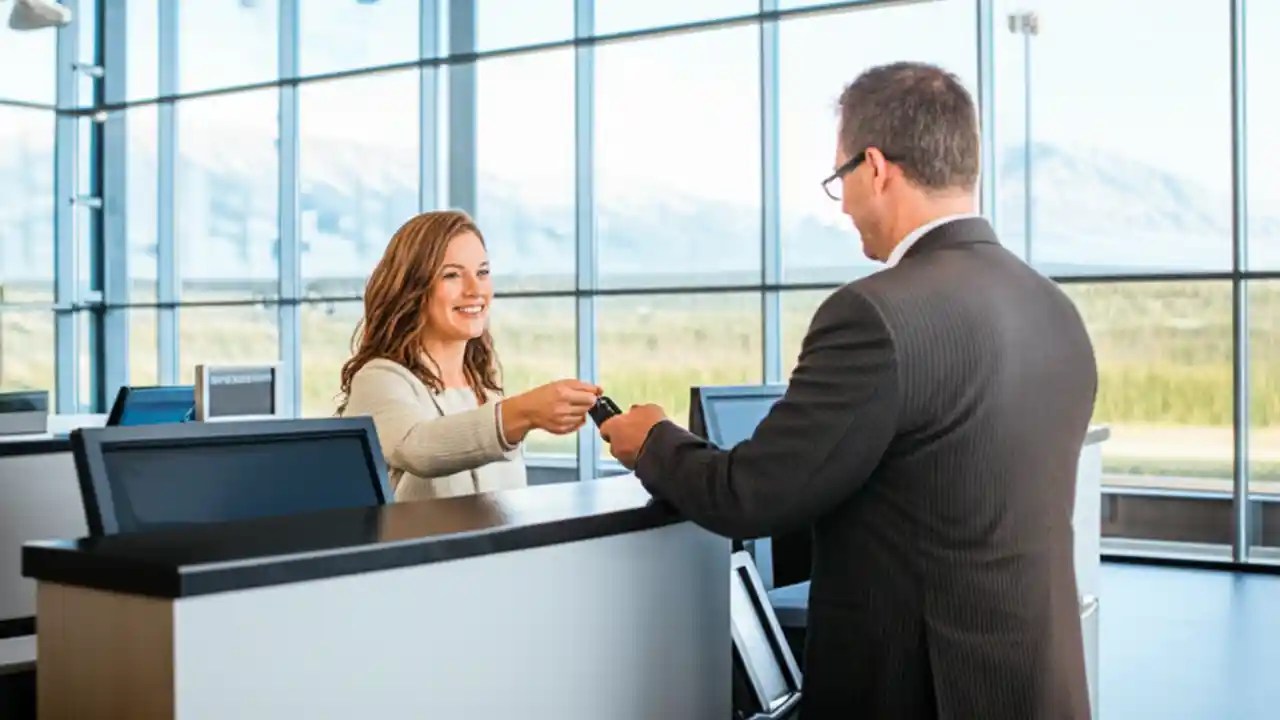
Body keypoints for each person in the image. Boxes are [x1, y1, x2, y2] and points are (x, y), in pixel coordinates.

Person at [600, 62, 1097, 719]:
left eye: (840, 180)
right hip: (1037, 688)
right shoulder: (1052, 308)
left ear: (876, 168)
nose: (846, 206)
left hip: (919, 693)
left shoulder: (874, 315)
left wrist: (652, 442)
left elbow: (752, 494)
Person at [339, 210, 600, 501]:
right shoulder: (380, 379)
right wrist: (523, 413)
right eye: (451, 275)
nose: (475, 290)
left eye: (483, 272)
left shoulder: (485, 392)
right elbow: (418, 447)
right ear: (412, 288)